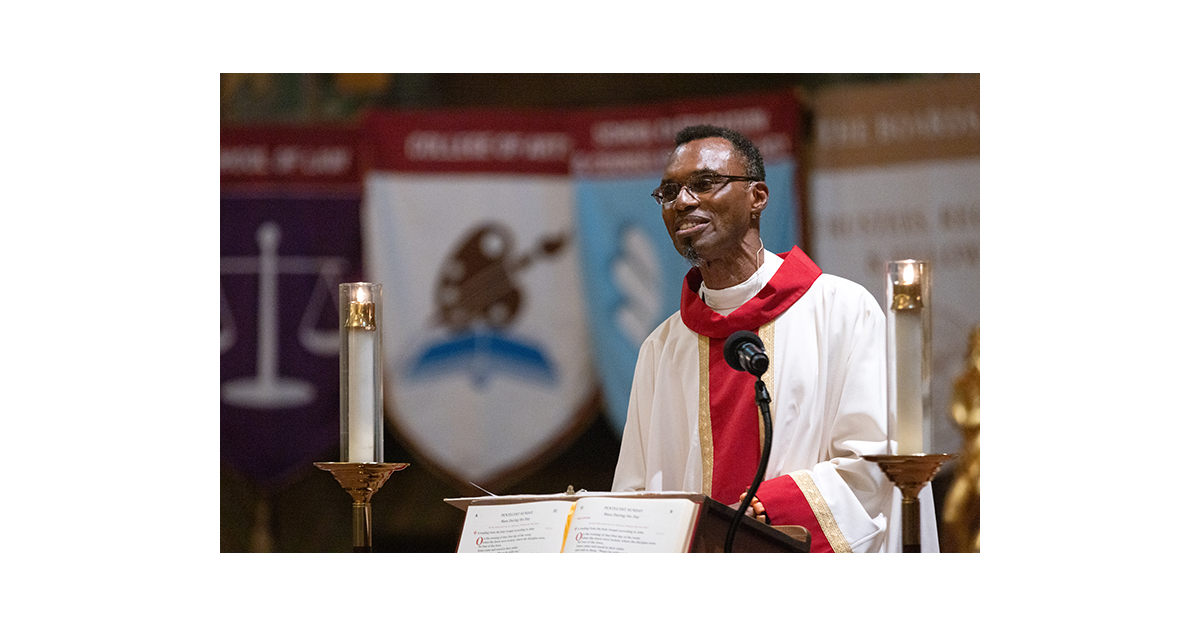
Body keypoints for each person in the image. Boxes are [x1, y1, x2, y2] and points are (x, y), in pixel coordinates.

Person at [611, 124, 936, 552]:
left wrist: (766, 510)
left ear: (757, 198)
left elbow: (875, 465)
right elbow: (634, 496)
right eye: (669, 193)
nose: (683, 202)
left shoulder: (840, 311)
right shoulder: (661, 347)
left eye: (704, 184)